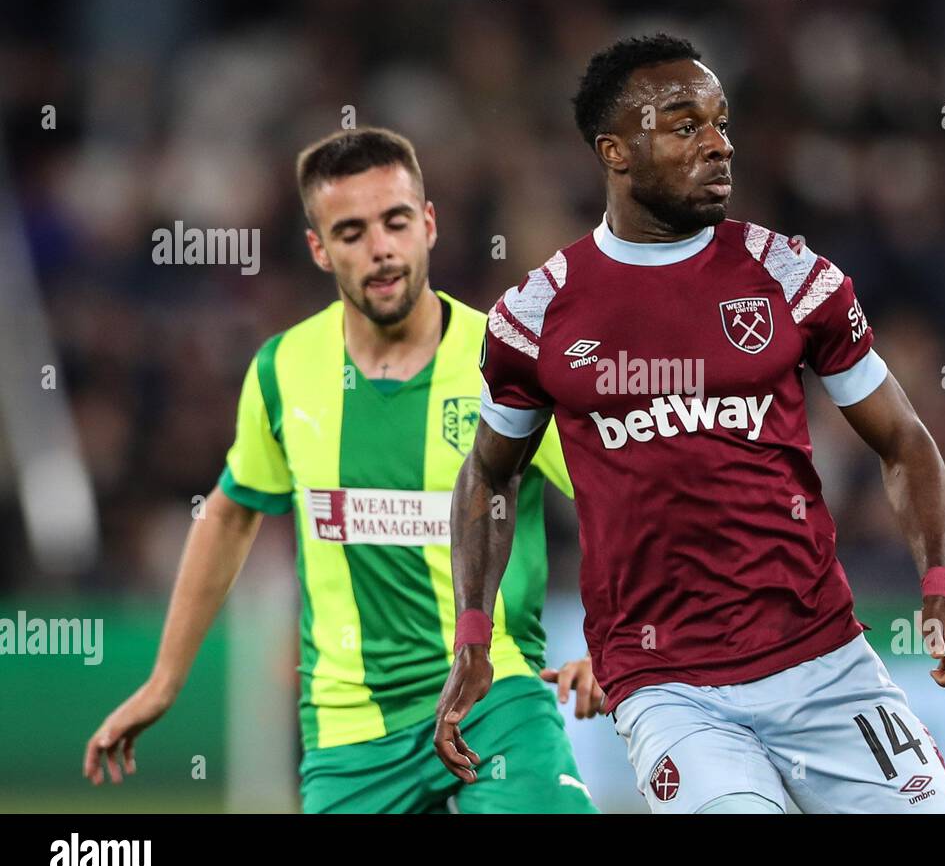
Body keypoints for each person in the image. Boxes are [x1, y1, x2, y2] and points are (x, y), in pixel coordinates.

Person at [436, 35, 945, 814]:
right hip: (668, 689)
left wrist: (941, 588)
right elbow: (490, 474)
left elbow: (904, 441)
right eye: (686, 125)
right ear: (616, 152)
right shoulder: (534, 318)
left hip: (826, 663)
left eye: (721, 123)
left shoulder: (790, 276)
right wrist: (472, 635)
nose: (720, 145)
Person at [85, 128, 599, 813]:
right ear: (319, 248)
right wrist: (164, 681)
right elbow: (231, 512)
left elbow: (617, 498)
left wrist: (616, 637)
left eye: (395, 222)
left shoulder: (507, 360)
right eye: (351, 232)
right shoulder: (284, 369)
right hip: (349, 733)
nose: (380, 248)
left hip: (494, 694)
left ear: (429, 224)